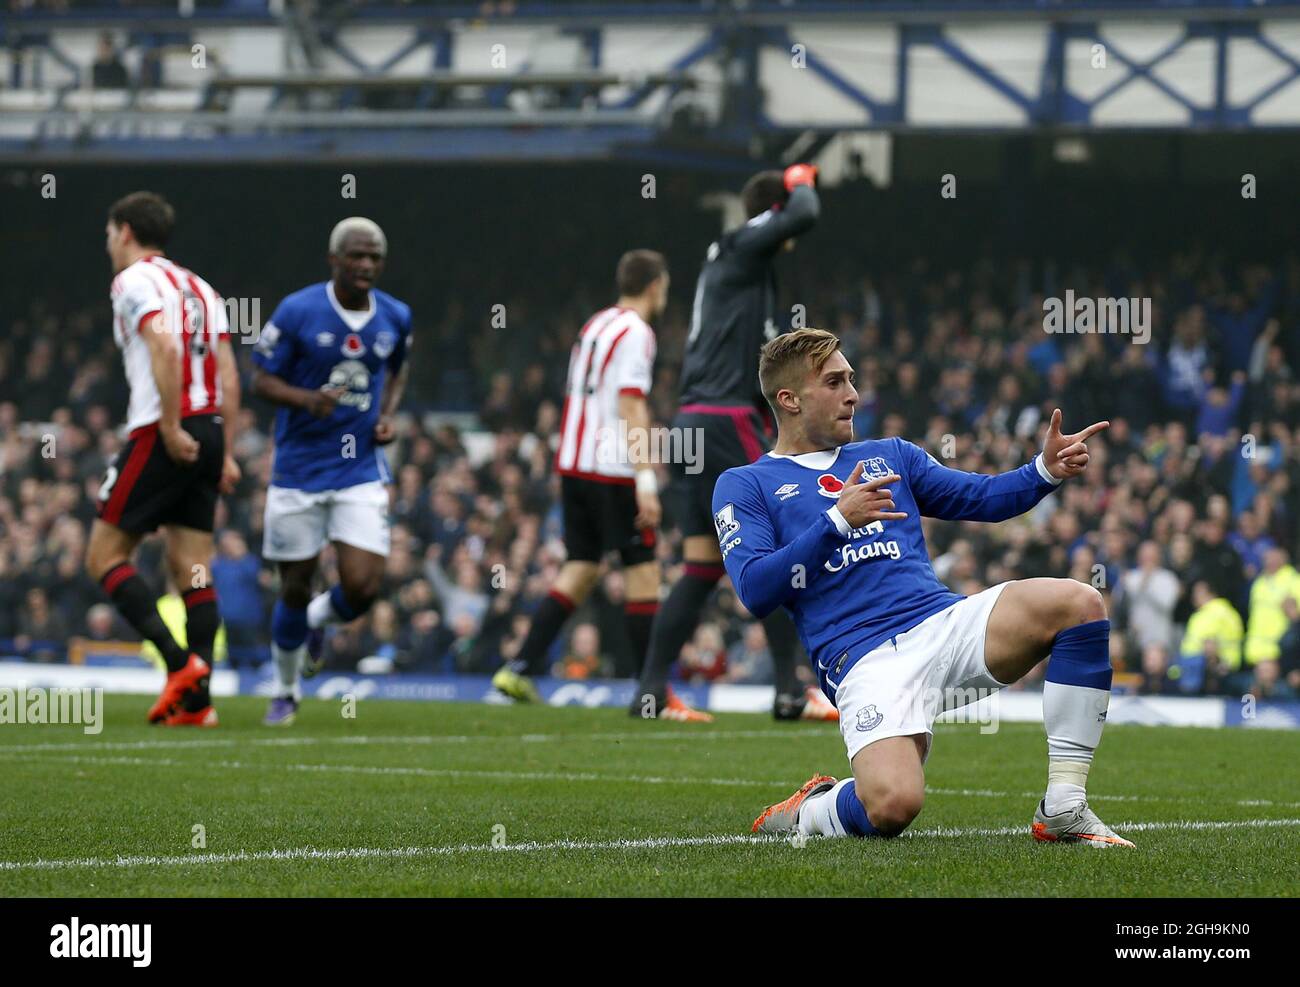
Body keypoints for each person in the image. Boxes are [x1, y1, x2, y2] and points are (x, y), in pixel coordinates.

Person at [721, 329, 1132, 846]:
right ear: (789, 399)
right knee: (893, 807)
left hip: (941, 626)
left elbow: (981, 498)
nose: (852, 393)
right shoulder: (745, 484)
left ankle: (1065, 808)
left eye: (851, 378)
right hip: (862, 659)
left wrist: (1042, 471)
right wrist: (835, 522)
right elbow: (756, 589)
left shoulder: (891, 454)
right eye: (834, 382)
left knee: (1080, 602)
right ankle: (813, 809)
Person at [634, 163, 834, 723]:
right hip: (725, 420)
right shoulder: (744, 244)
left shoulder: (736, 266)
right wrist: (800, 179)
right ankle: (794, 690)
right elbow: (805, 211)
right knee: (785, 548)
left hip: (693, 424)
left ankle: (649, 691)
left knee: (701, 564)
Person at [85, 191, 240, 727]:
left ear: (125, 231)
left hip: (162, 427)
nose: (108, 245)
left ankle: (179, 667)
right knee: (192, 567)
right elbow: (228, 368)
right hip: (212, 428)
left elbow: (167, 348)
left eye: (109, 234)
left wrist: (171, 426)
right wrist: (229, 449)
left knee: (103, 557)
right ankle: (199, 704)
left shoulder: (133, 281)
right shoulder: (201, 287)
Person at [250, 217, 411, 726]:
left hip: (359, 468)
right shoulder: (298, 310)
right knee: (294, 587)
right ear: (335, 260)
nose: (366, 265)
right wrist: (305, 399)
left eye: (375, 257)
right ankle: (286, 689)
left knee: (363, 588)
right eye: (357, 255)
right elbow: (260, 379)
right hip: (298, 470)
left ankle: (318, 622)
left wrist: (386, 416)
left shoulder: (396, 316)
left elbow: (397, 370)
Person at [492, 250, 670, 705]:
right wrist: (646, 480)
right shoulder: (637, 332)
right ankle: (650, 691)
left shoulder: (595, 325)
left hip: (573, 463)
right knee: (643, 571)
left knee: (582, 565)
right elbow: (631, 404)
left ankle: (519, 666)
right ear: (655, 285)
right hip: (612, 468)